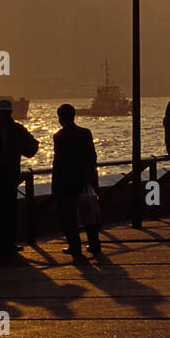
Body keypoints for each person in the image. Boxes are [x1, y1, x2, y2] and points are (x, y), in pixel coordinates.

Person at [0, 98, 39, 259]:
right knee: (7, 213)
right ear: (10, 113)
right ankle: (6, 244)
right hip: (8, 178)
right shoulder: (16, 129)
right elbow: (31, 149)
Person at [53, 103, 100, 258]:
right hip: (84, 179)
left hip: (66, 181)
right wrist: (90, 176)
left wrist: (55, 185)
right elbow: (92, 156)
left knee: (68, 216)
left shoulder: (59, 136)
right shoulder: (86, 133)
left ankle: (75, 246)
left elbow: (59, 162)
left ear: (60, 118)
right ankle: (94, 244)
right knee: (89, 215)